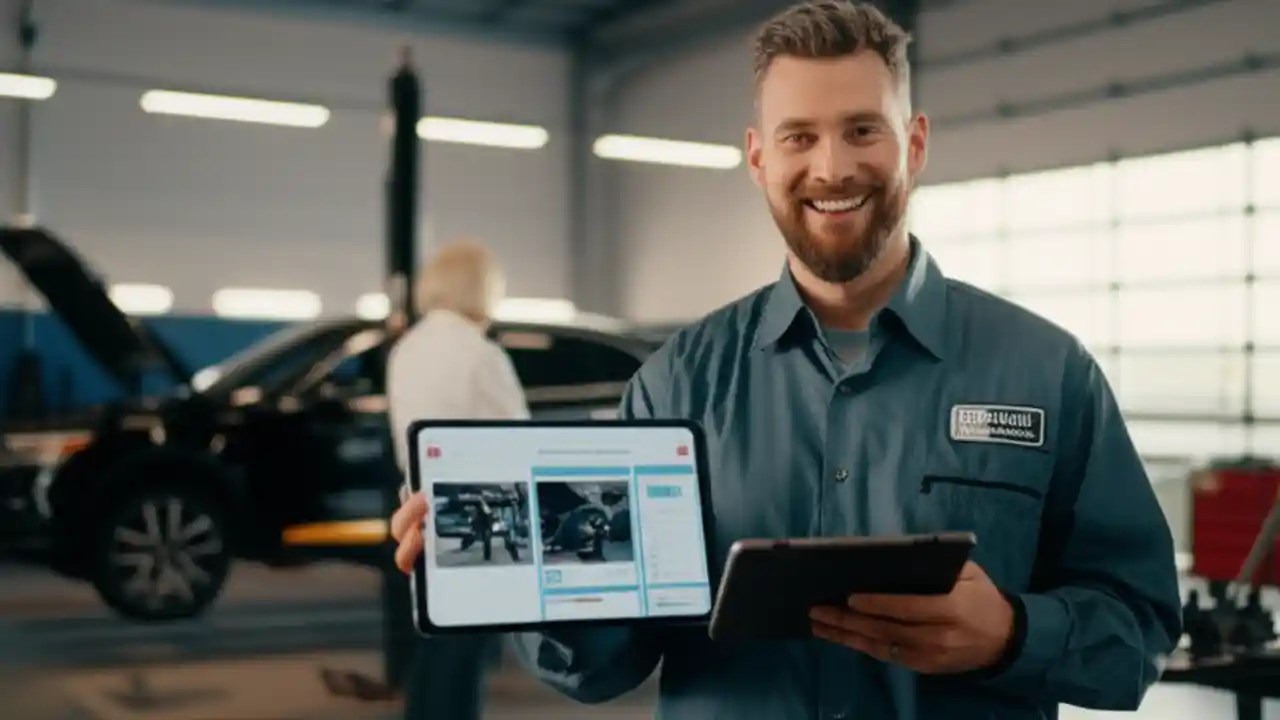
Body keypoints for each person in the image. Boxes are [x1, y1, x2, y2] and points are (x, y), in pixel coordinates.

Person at [391, 1, 1183, 718]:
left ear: (914, 143)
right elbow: (601, 668)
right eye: (799, 136)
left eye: (863, 130)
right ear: (760, 158)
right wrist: (517, 571)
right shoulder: (675, 385)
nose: (832, 168)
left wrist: (1014, 633)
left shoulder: (1047, 371)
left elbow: (1140, 629)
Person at [386, 238, 529, 720]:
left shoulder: (406, 348)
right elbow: (520, 439)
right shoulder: (480, 354)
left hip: (420, 510)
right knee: (464, 658)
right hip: (480, 515)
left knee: (434, 642)